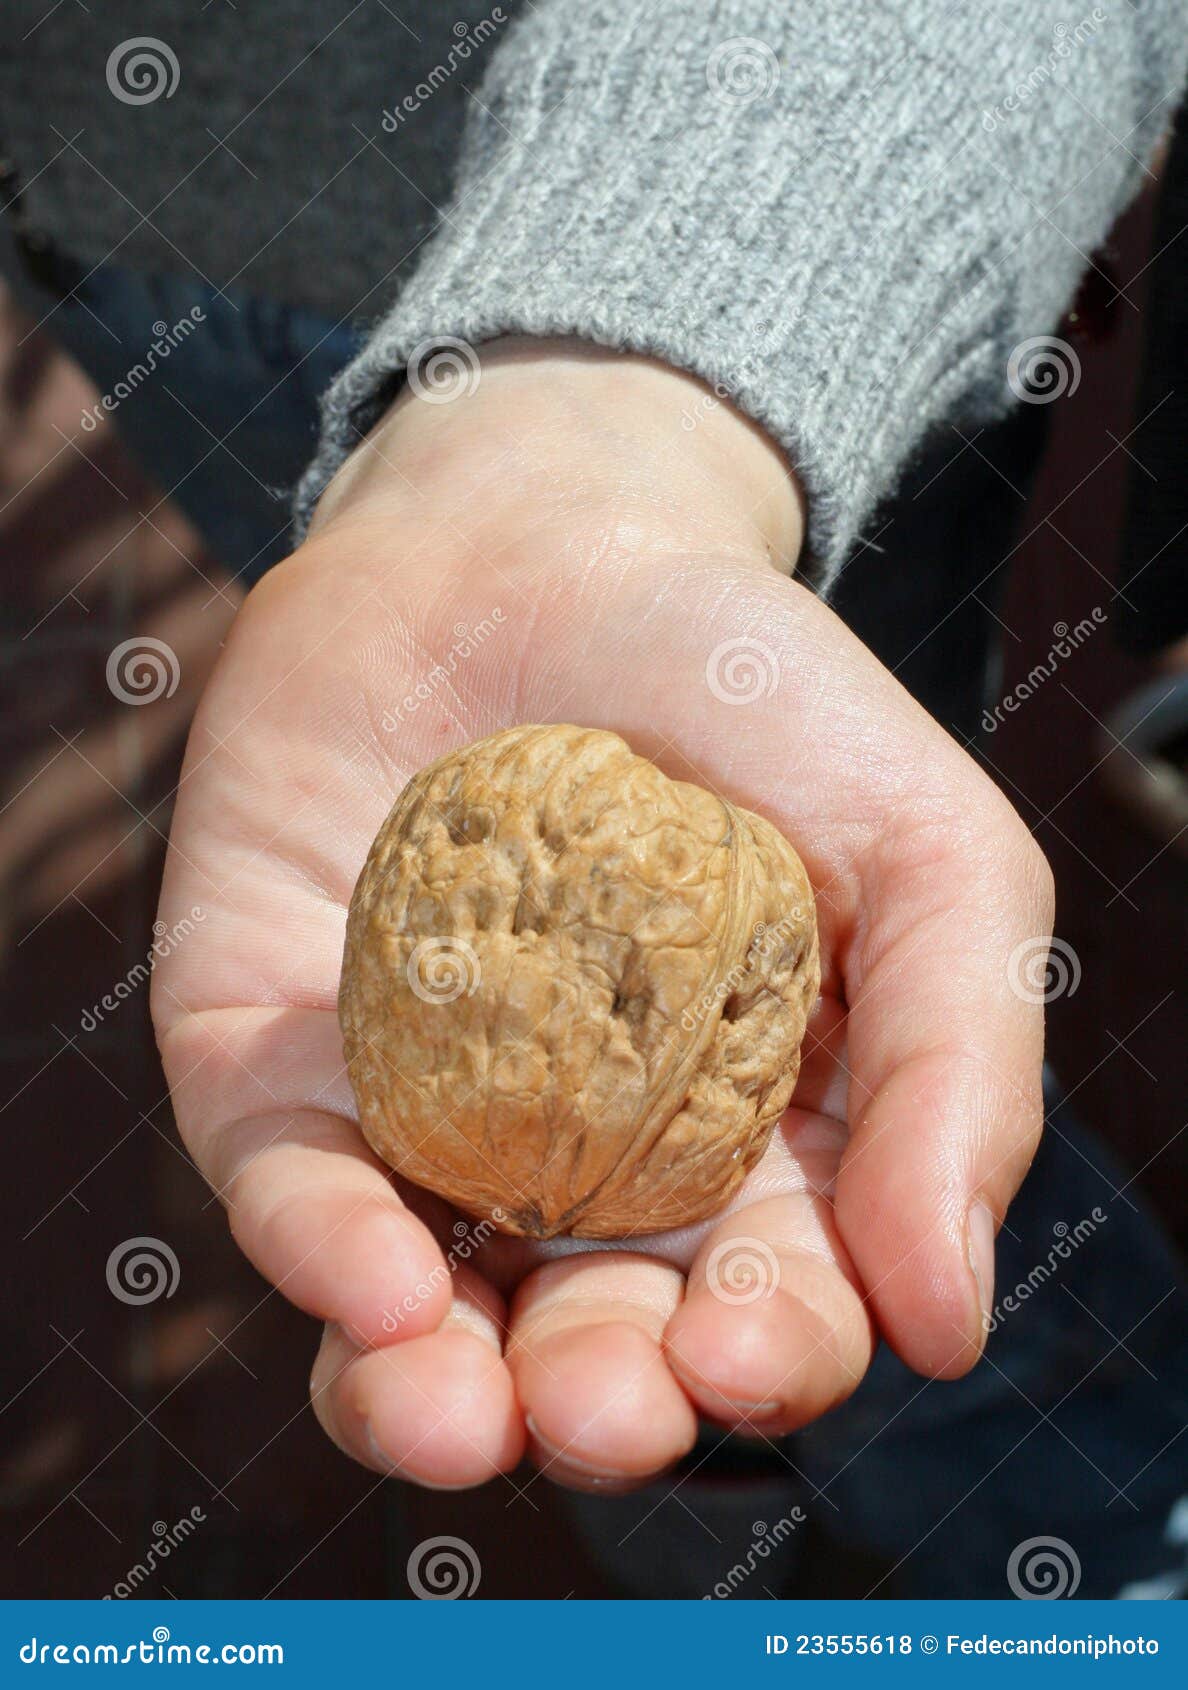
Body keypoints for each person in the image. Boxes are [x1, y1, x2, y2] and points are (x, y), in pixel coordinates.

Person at [3, 1, 1185, 1596]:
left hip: (822, 253)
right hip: (163, 241)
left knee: (880, 1017)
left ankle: (1051, 1485)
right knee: (814, 1139)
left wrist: (620, 418)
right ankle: (753, 1465)